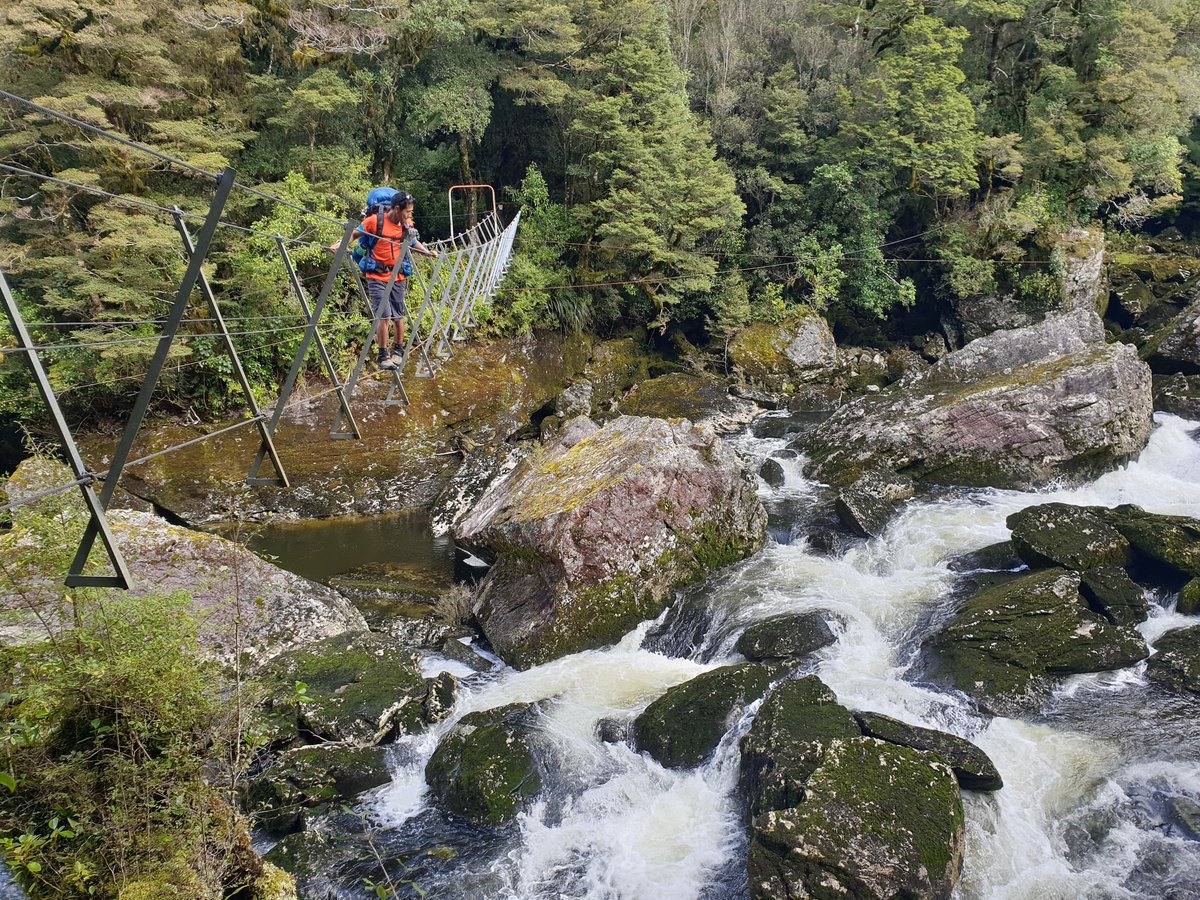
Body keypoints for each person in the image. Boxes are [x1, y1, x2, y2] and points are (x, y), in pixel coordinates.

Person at [358, 191, 438, 369]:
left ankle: (398, 351)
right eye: (408, 211)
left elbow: (412, 241)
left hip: (398, 276)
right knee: (384, 315)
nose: (410, 215)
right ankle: (382, 356)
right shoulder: (374, 222)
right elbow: (354, 234)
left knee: (399, 315)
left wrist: (426, 252)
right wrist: (339, 245)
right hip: (377, 276)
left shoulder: (405, 225)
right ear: (396, 208)